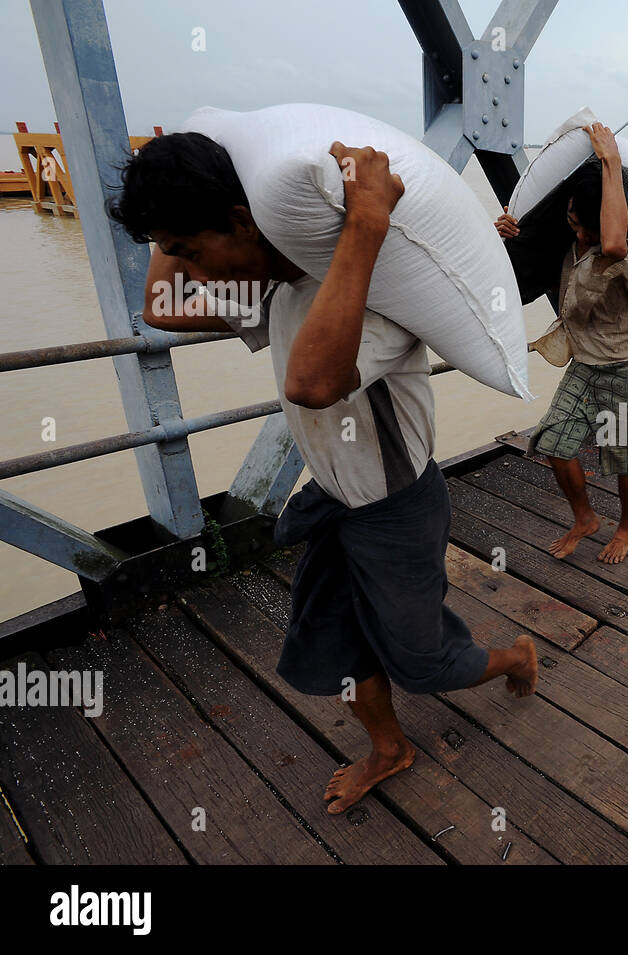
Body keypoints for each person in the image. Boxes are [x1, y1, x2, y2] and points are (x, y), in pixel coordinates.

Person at [110, 131, 538, 816]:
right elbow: (161, 308)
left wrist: (368, 222)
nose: (187, 266)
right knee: (339, 645)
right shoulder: (273, 285)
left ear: (243, 223)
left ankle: (516, 656)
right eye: (177, 250)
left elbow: (312, 380)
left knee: (421, 661)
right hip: (335, 500)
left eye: (189, 250)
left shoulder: (379, 293)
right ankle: (390, 747)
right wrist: (171, 195)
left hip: (396, 509)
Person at [496, 123, 628, 565]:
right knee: (552, 440)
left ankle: (627, 526)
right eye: (573, 223)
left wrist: (610, 159)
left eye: (584, 227)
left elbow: (609, 241)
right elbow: (520, 272)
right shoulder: (567, 239)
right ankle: (585, 517)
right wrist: (514, 234)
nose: (579, 235)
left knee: (621, 450)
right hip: (587, 360)